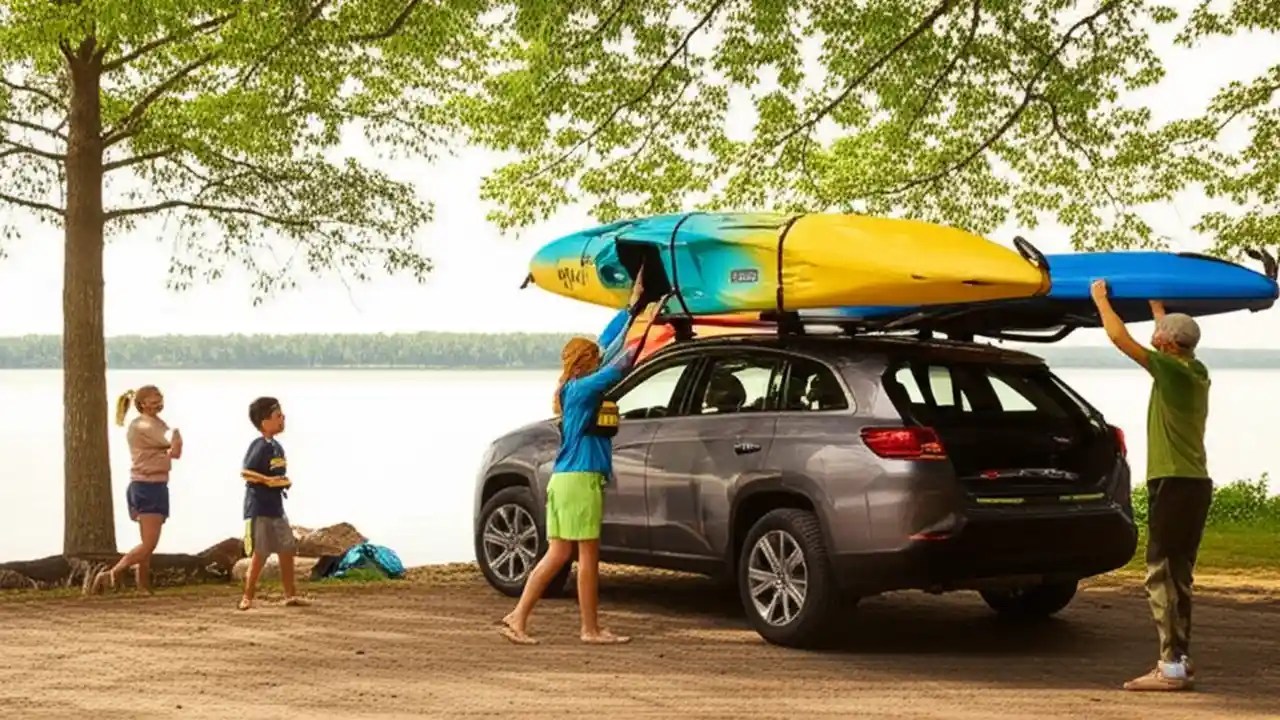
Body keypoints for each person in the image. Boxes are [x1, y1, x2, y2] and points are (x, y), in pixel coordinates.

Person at [498, 271, 651, 645]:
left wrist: (633, 308)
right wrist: (648, 327)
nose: (601, 360)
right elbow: (623, 360)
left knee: (557, 555)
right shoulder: (584, 389)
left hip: (564, 481)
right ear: (586, 364)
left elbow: (609, 346)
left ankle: (517, 618)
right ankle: (589, 629)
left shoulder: (569, 387)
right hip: (580, 481)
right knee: (587, 560)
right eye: (595, 359)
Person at [1090, 280, 1212, 692]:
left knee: (1160, 574)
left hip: (1174, 484)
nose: (1154, 337)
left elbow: (1119, 337)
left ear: (1167, 346)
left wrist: (1100, 300)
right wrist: (1157, 307)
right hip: (1194, 484)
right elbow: (1169, 335)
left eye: (1159, 334)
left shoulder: (1168, 369)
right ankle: (1181, 658)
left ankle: (1170, 666)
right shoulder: (1195, 369)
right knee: (1179, 575)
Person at [89, 385, 183, 595]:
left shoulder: (157, 424)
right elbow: (174, 447)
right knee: (150, 543)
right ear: (142, 404)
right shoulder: (143, 426)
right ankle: (112, 574)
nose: (159, 402)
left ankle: (142, 586)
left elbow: (173, 451)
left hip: (155, 485)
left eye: (160, 397)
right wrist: (176, 437)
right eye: (154, 399)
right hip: (147, 486)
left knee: (146, 543)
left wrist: (173, 445)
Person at [238, 396, 309, 610]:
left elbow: (277, 473)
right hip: (260, 508)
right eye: (277, 416)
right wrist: (268, 481)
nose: (282, 419)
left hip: (277, 507)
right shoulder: (259, 445)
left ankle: (290, 594)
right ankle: (247, 596)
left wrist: (283, 483)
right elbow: (246, 472)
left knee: (287, 550)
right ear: (264, 422)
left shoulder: (277, 447)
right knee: (261, 552)